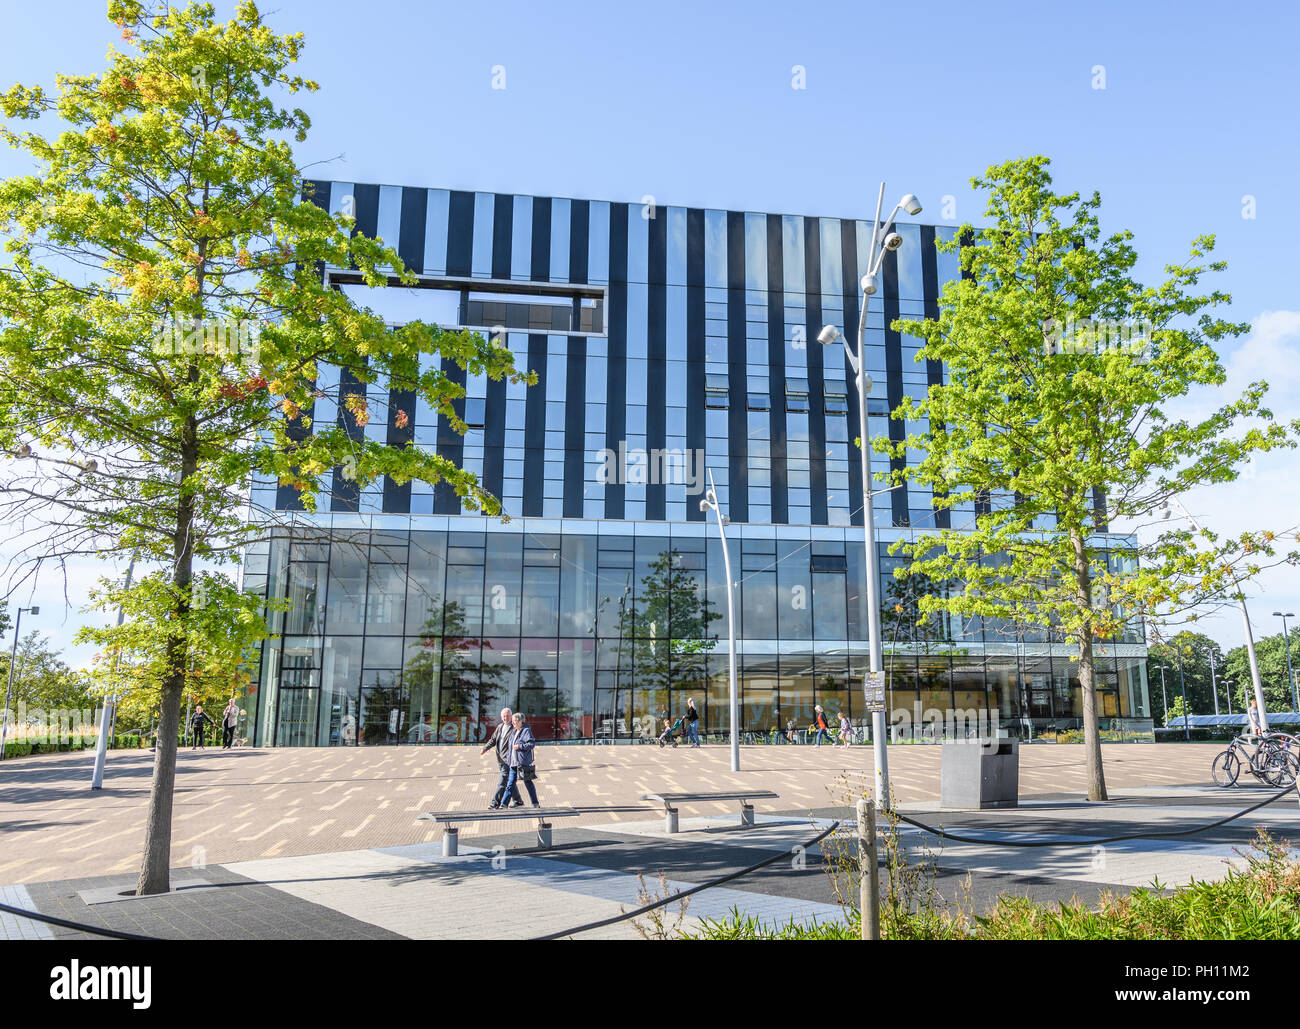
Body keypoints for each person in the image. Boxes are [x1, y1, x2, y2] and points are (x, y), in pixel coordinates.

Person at [480, 707, 522, 809]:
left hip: (509, 760)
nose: (505, 718)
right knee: (509, 781)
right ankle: (518, 801)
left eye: (507, 716)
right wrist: (485, 748)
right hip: (500, 760)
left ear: (511, 716)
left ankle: (495, 803)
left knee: (502, 782)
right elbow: (493, 739)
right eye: (503, 716)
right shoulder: (500, 727)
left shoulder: (514, 728)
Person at [504, 712, 541, 808]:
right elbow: (510, 747)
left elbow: (531, 744)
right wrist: (508, 759)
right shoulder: (513, 732)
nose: (513, 723)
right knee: (510, 783)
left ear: (520, 721)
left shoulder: (526, 731)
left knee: (528, 783)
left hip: (522, 763)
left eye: (515, 721)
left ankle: (535, 803)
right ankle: (504, 804)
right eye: (512, 721)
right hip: (513, 763)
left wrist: (519, 746)